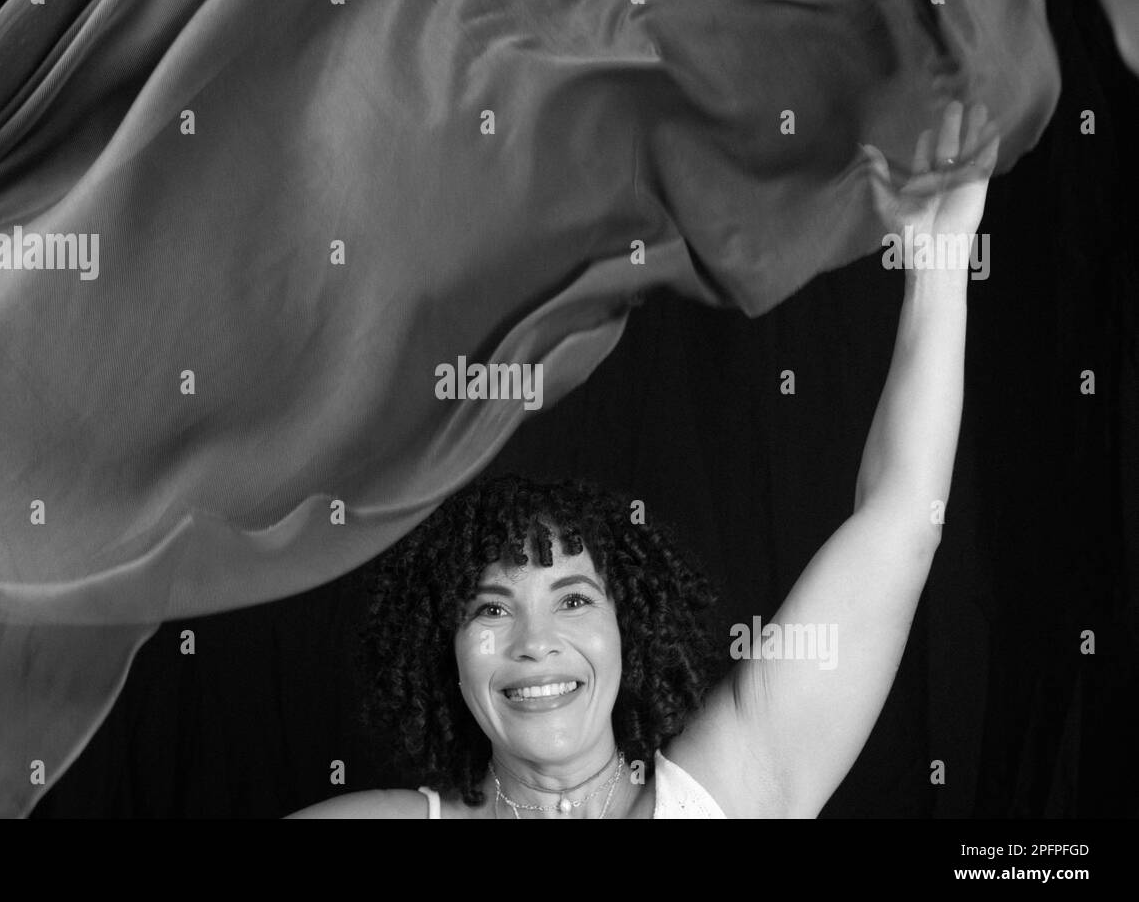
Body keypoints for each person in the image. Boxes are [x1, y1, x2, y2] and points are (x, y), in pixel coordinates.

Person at [287, 101, 999, 819]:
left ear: (627, 630)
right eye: (492, 607)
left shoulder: (742, 783)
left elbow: (905, 518)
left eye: (572, 598)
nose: (537, 643)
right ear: (448, 655)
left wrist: (937, 269)